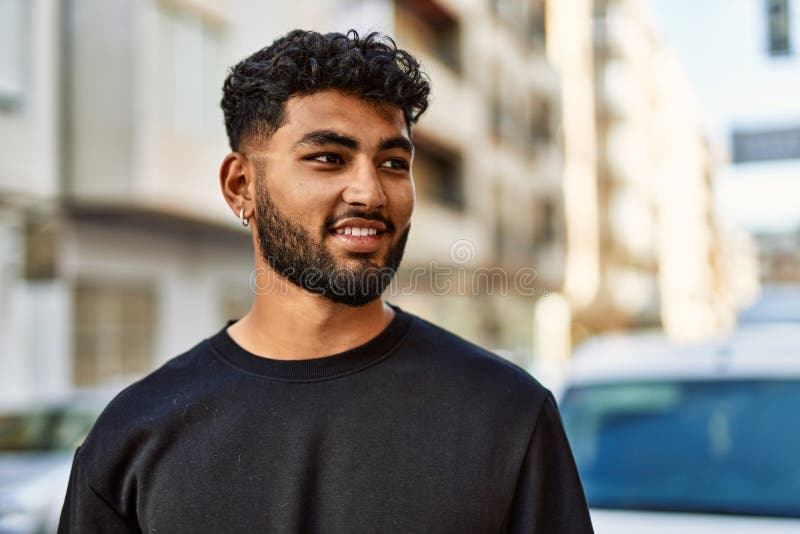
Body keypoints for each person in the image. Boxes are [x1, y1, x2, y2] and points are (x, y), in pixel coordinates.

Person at [58, 29, 593, 533]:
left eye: (392, 162)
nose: (370, 192)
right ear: (241, 185)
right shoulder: (133, 436)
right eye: (328, 158)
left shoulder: (507, 415)